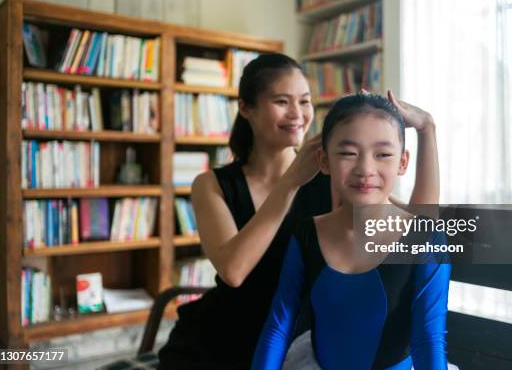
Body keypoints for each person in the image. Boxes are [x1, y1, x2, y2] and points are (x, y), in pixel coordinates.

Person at [158, 54, 440, 369]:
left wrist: (426, 130)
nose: (297, 114)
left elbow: (420, 224)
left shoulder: (334, 176)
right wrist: (291, 181)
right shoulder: (211, 184)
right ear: (246, 108)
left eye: (304, 102)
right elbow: (233, 271)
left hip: (300, 338)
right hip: (226, 337)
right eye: (282, 101)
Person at [251, 93, 450, 370]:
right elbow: (278, 327)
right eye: (348, 153)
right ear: (324, 161)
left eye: (383, 154)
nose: (365, 169)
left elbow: (428, 339)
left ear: (403, 162)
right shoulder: (306, 233)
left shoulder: (424, 237)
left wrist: (427, 127)